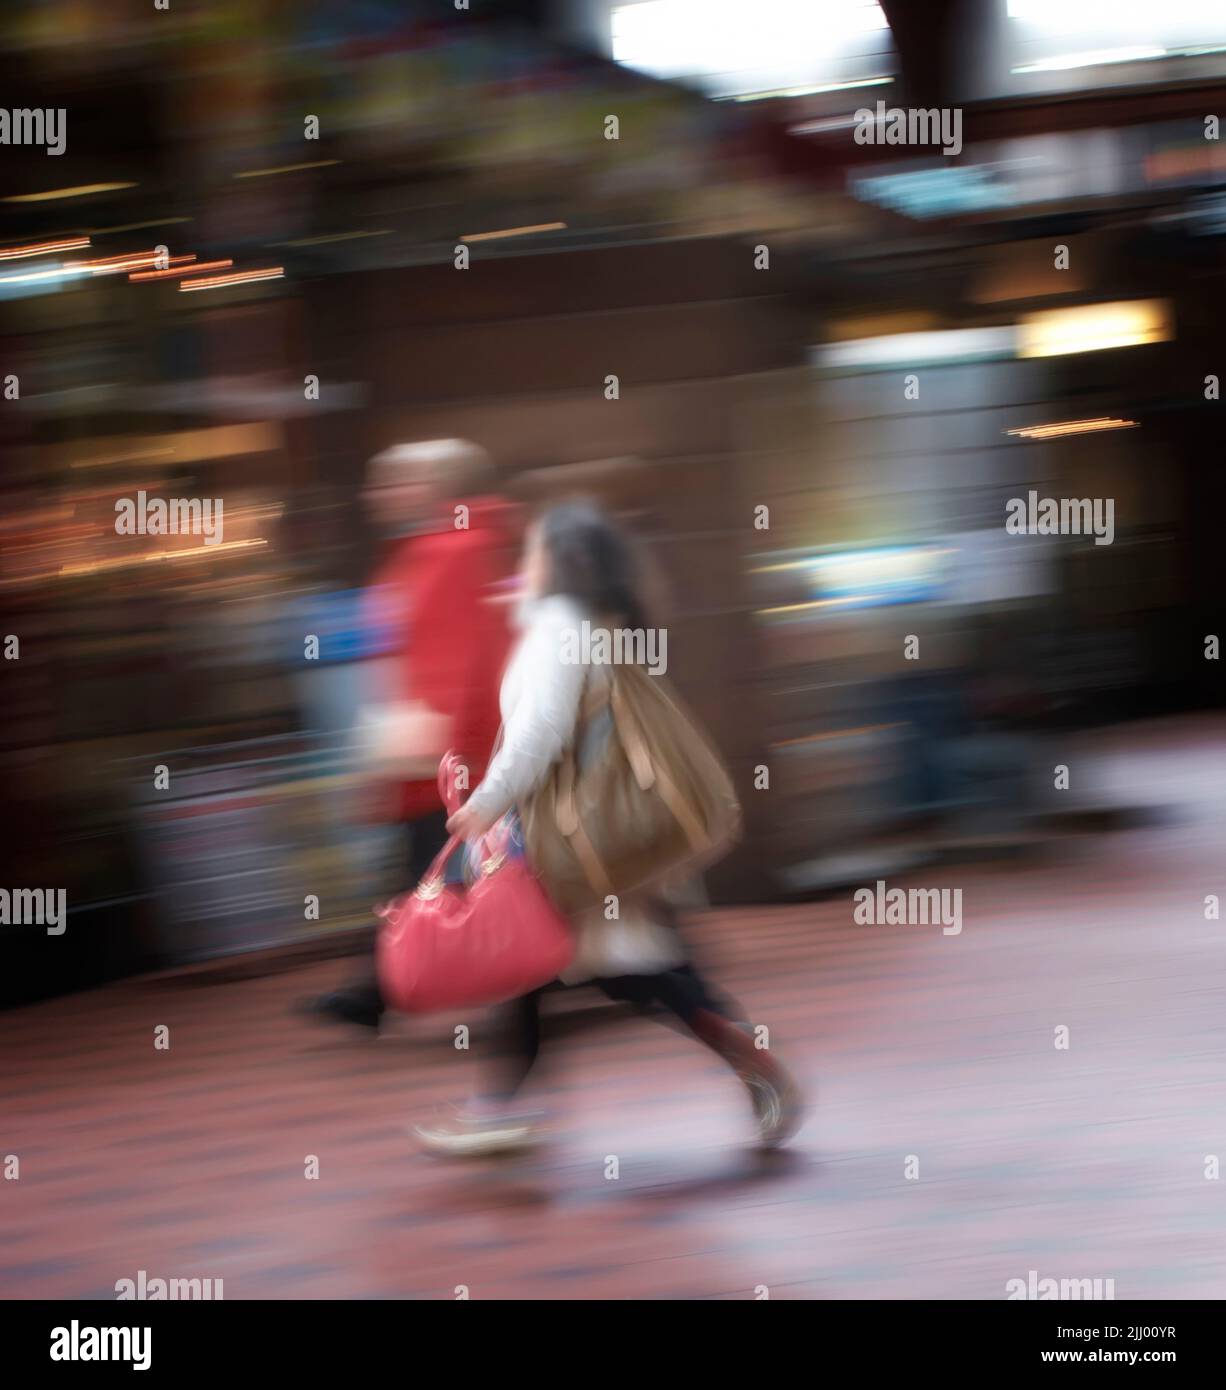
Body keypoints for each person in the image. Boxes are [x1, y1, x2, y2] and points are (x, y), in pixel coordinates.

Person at [415, 499, 804, 1153]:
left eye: (534, 549)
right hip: (589, 838)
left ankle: (504, 1108)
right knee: (593, 968)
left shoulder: (557, 628)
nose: (523, 561)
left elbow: (538, 734)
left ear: (559, 561)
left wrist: (484, 803)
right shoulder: (594, 623)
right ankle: (507, 1105)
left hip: (568, 839)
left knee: (567, 967)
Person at [302, 440, 516, 1031]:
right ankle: (373, 988)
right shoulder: (440, 549)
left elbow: (457, 659)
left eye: (395, 482)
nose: (378, 495)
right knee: (426, 868)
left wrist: (427, 744)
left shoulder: (451, 552)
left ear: (439, 489)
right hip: (447, 750)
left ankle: (379, 989)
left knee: (433, 867)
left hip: (448, 754)